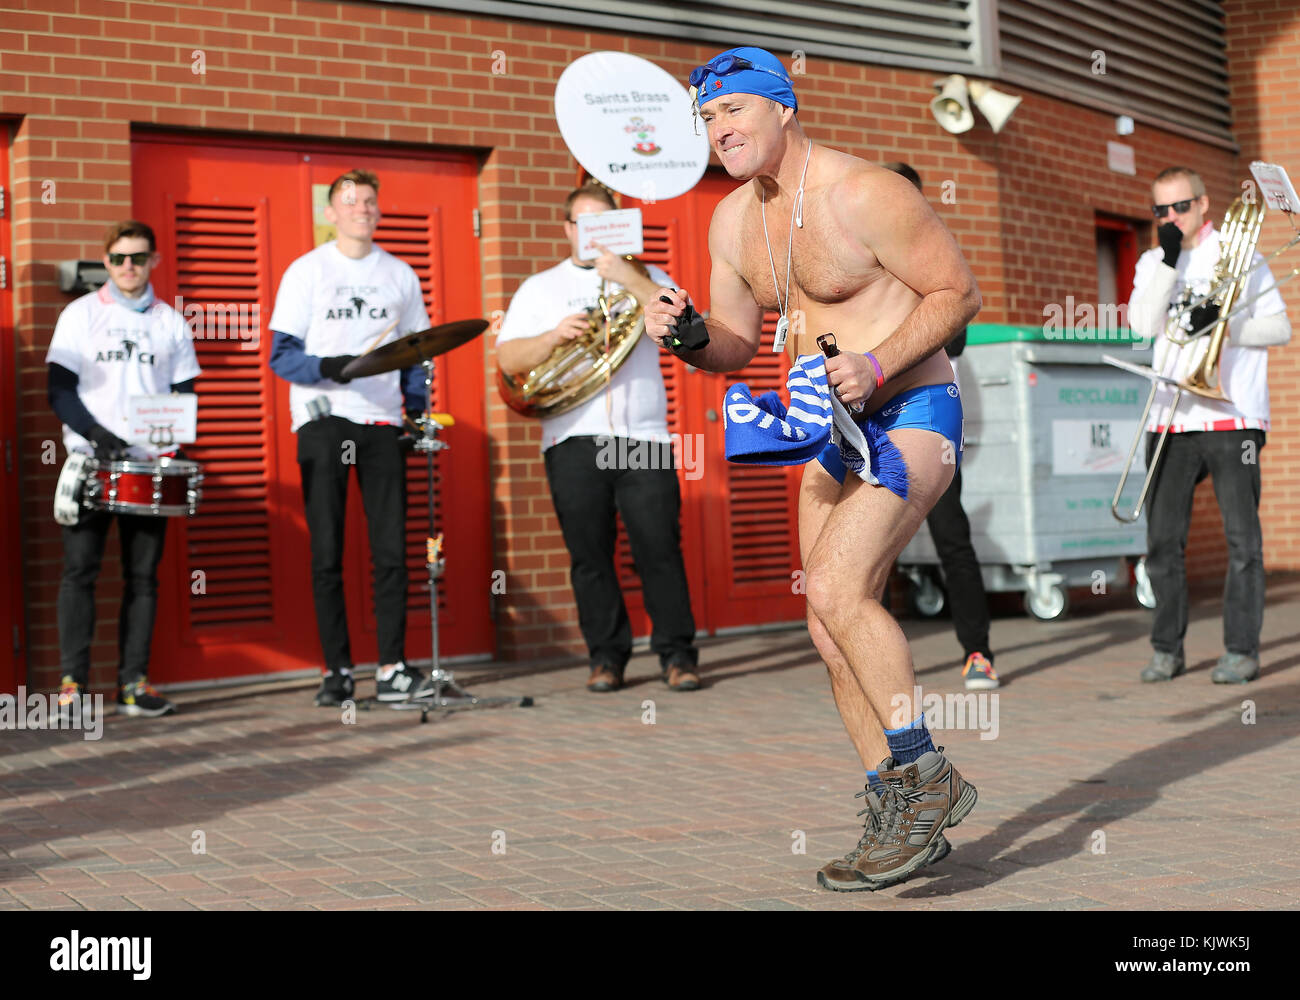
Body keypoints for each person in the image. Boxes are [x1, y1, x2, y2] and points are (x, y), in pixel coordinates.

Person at [645, 48, 982, 890]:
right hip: (830, 429)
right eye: (708, 118)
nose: (720, 130)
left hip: (914, 412)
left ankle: (927, 775)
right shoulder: (731, 221)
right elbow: (735, 343)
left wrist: (875, 362)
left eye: (735, 112)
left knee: (836, 586)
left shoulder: (865, 192)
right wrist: (689, 336)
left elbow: (956, 294)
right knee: (825, 626)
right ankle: (896, 807)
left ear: (782, 108)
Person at [496, 183, 700, 693]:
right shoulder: (539, 289)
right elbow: (507, 361)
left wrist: (629, 277)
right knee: (589, 556)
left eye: (601, 222)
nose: (590, 233)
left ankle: (677, 656)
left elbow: (691, 337)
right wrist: (552, 336)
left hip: (643, 436)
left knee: (659, 549)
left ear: (618, 226)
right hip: (572, 438)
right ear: (567, 229)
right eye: (581, 224)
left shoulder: (650, 278)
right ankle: (606, 658)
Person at [269, 168, 431, 706]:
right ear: (330, 213)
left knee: (391, 551)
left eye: (368, 201)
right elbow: (282, 355)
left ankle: (392, 668)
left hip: (381, 423)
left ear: (377, 211)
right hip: (324, 418)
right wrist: (334, 366)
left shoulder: (400, 274)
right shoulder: (306, 271)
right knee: (328, 551)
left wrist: (415, 410)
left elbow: (415, 355)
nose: (361, 208)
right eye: (349, 201)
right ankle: (336, 670)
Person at [1127, 166, 1291, 685]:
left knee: (1242, 540)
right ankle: (1165, 650)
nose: (1171, 218)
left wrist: (1225, 322)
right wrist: (1170, 260)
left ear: (1203, 206)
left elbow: (1280, 328)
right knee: (1162, 541)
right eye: (1160, 211)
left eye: (1180, 208)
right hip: (1171, 415)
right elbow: (1140, 324)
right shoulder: (1155, 261)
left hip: (1232, 414)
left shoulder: (1243, 255)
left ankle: (1241, 650)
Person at [46, 220, 202, 719]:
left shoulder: (171, 322)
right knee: (80, 573)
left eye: (138, 257)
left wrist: (172, 439)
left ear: (154, 261)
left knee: (143, 577)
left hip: (149, 468)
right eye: (118, 258)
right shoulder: (80, 314)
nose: (128, 266)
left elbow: (184, 393)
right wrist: (97, 436)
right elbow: (59, 390)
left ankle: (134, 684)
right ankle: (73, 688)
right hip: (92, 462)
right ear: (106, 262)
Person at [882, 161, 997, 691]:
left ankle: (978, 652)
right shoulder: (861, 258)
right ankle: (870, 663)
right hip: (872, 420)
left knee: (952, 537)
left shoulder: (932, 255)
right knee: (870, 545)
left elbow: (955, 341)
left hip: (928, 420)